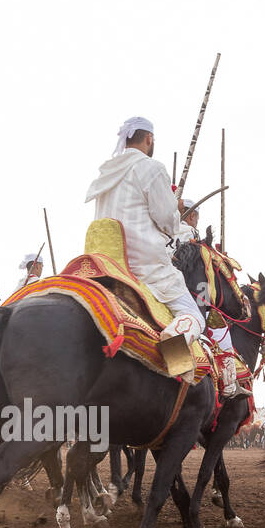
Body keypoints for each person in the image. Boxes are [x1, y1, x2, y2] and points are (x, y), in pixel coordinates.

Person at [84, 116, 206, 354]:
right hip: (144, 267)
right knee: (195, 315)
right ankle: (172, 348)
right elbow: (168, 223)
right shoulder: (152, 168)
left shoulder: (107, 172)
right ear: (149, 139)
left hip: (104, 263)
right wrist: (174, 207)